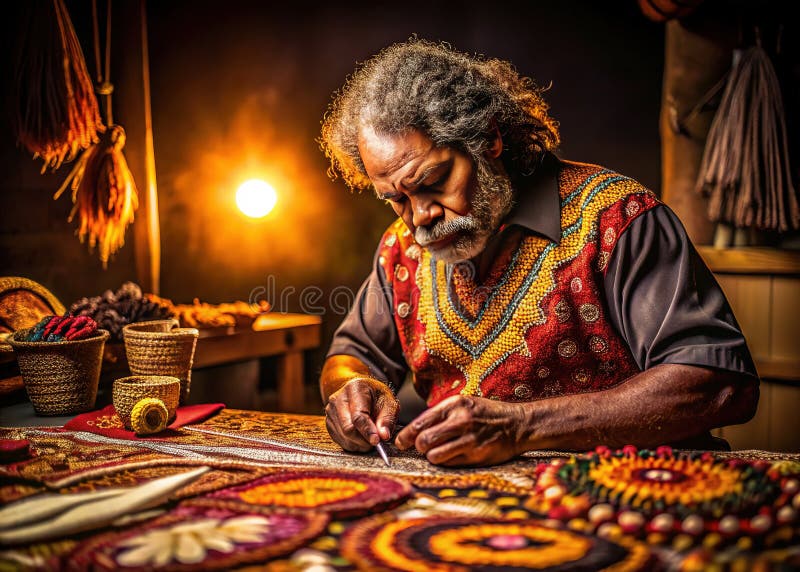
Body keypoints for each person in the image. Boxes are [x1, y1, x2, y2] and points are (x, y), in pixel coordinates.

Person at [318, 39, 758, 467]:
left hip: (634, 492)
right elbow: (351, 355)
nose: (420, 217)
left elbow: (719, 384)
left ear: (488, 139)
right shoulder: (402, 248)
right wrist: (352, 389)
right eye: (396, 199)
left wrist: (523, 427)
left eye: (433, 182)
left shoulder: (617, 220)